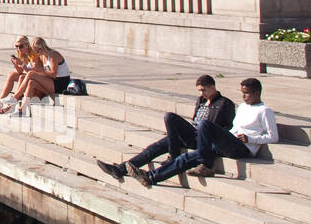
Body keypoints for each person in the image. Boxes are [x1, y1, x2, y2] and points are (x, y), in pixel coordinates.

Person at [125, 79, 277, 187]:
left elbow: (273, 136)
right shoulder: (243, 107)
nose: (244, 96)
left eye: (247, 93)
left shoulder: (265, 111)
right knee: (187, 157)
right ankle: (151, 178)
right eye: (242, 93)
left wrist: (251, 138)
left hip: (244, 148)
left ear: (257, 93)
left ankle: (207, 164)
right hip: (230, 141)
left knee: (205, 125)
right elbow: (234, 128)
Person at [95, 75, 235, 181]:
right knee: (155, 146)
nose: (201, 94)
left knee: (171, 120)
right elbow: (194, 119)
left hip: (205, 139)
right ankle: (120, 169)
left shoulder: (225, 103)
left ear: (212, 87)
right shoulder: (201, 100)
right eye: (199, 91)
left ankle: (174, 156)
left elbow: (226, 128)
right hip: (192, 134)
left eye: (204, 90)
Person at [2, 37, 72, 115]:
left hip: (61, 83)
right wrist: (37, 69)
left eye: (36, 50)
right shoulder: (43, 56)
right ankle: (22, 110)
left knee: (31, 74)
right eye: (34, 50)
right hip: (53, 82)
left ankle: (15, 97)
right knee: (32, 82)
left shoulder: (53, 55)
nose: (35, 53)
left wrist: (39, 70)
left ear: (42, 48)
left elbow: (53, 74)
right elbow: (45, 73)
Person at [0, 36, 36, 109]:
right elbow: (20, 71)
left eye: (21, 46)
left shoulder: (33, 54)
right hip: (29, 76)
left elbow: (33, 74)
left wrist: (22, 64)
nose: (18, 49)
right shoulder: (21, 53)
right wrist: (15, 64)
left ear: (27, 45)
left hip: (36, 79)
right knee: (12, 74)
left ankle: (13, 101)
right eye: (16, 46)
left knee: (22, 77)